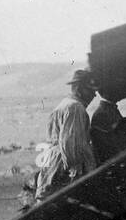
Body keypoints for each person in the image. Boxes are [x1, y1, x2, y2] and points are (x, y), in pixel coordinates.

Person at [35, 68, 99, 198]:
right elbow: (71, 147)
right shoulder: (75, 108)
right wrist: (79, 175)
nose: (94, 95)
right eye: (90, 90)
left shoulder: (63, 105)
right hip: (66, 168)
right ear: (78, 89)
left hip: (53, 165)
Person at [88, 88, 126, 164]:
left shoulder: (108, 109)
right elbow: (107, 142)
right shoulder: (102, 112)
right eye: (115, 91)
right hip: (113, 160)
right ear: (107, 93)